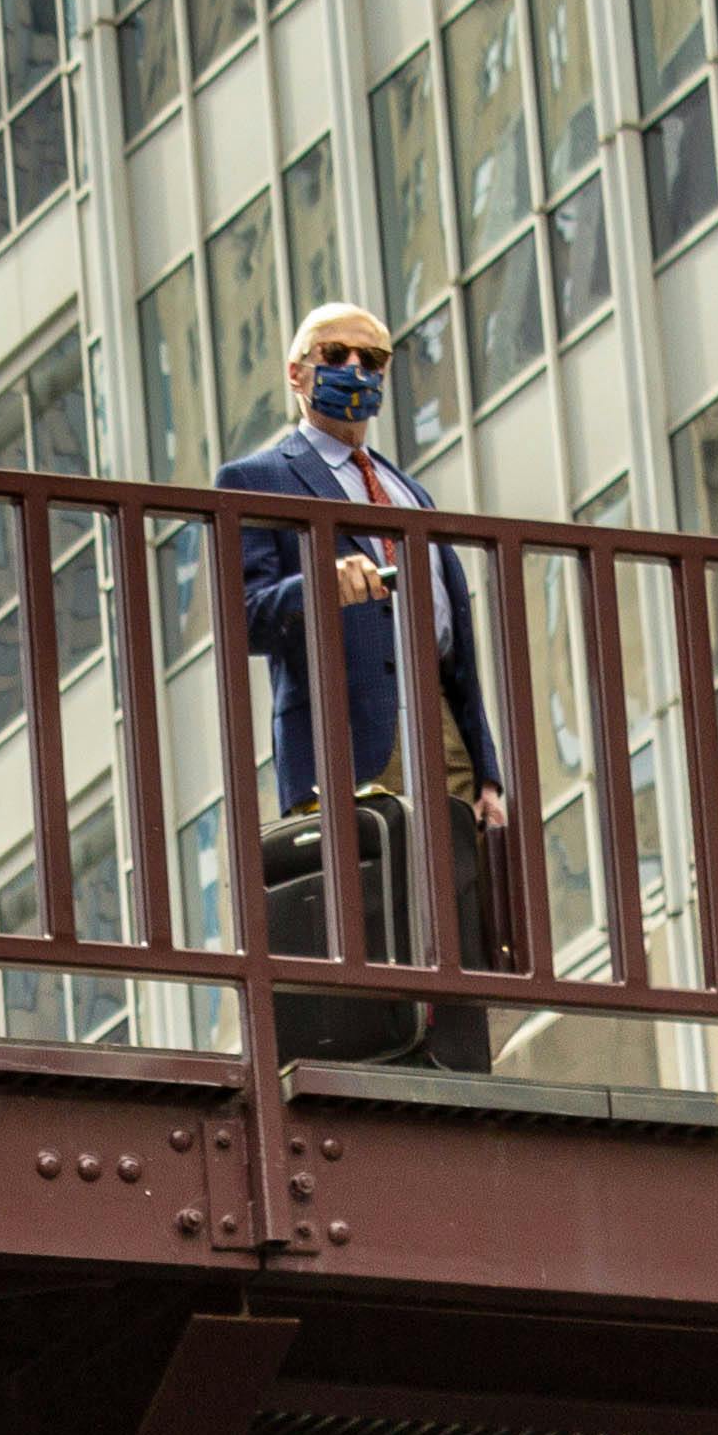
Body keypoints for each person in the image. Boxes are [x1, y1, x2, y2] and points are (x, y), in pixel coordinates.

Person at [216, 302, 508, 1069]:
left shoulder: (410, 493)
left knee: (454, 897)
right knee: (372, 906)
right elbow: (240, 615)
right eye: (336, 354)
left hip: (435, 722)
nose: (355, 372)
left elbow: (457, 648)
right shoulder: (260, 479)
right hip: (349, 729)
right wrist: (319, 582)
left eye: (373, 360)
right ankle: (384, 1058)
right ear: (296, 371)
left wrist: (486, 770)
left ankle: (456, 1060)